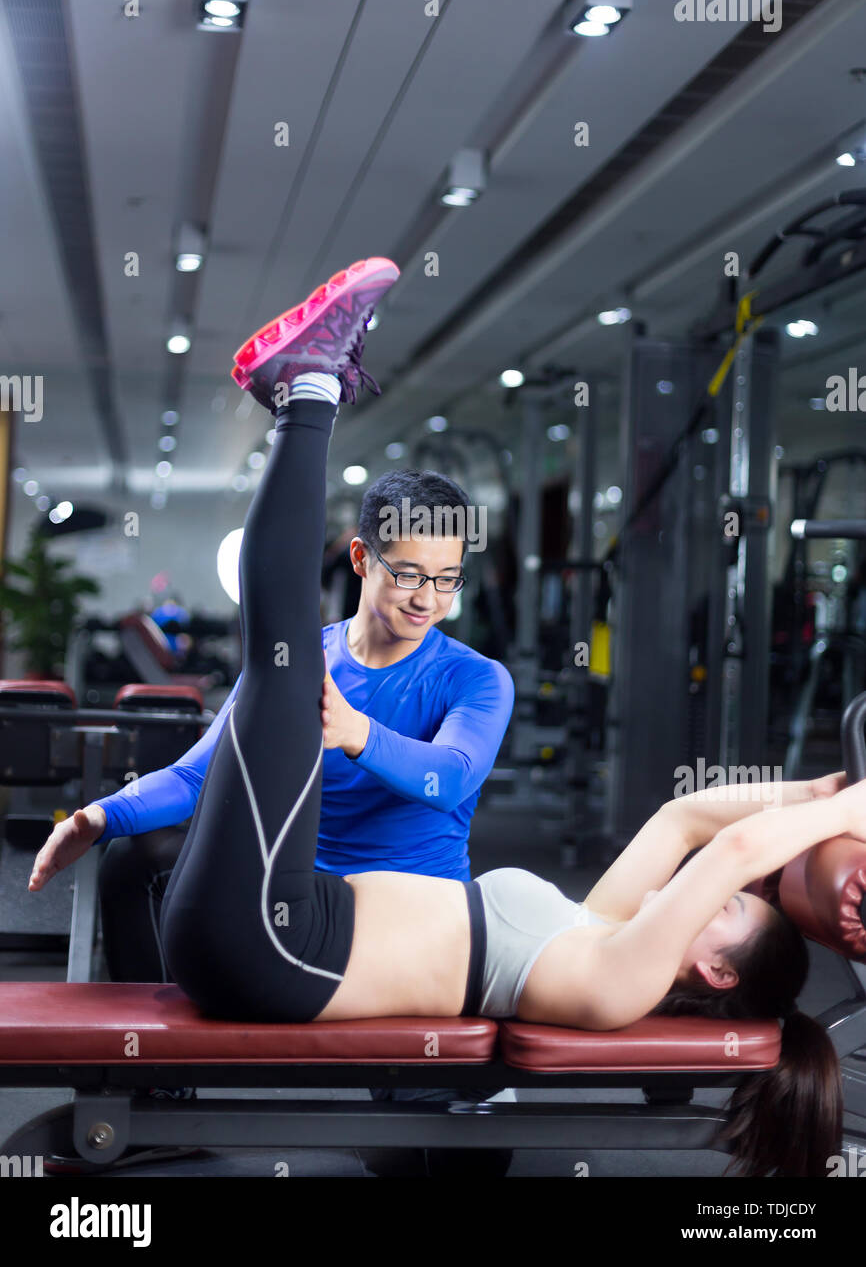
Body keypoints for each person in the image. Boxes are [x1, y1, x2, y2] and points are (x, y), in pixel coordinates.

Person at [30, 257, 863, 1178]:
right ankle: (307, 386)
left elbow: (736, 856)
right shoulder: (597, 926)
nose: (709, 893)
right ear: (367, 561)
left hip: (278, 943)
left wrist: (849, 819)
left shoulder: (618, 981)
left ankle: (309, 386)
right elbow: (688, 821)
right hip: (283, 922)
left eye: (726, 911)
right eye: (407, 574)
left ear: (714, 971)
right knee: (275, 677)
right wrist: (830, 785)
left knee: (278, 664)